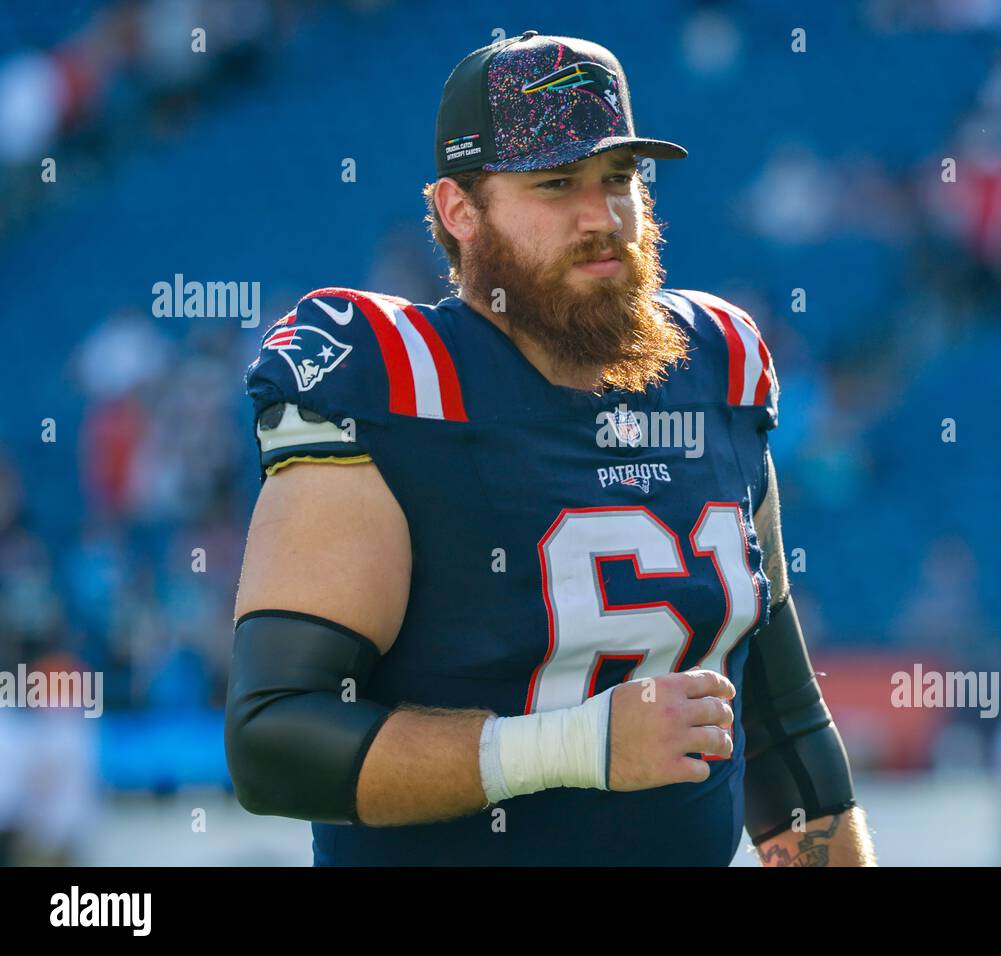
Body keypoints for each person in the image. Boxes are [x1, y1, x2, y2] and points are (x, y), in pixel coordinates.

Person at [225, 30, 873, 867]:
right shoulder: (394, 387)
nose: (602, 218)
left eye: (619, 180)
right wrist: (575, 748)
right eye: (556, 184)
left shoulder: (720, 365)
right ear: (459, 211)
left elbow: (780, 726)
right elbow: (272, 740)